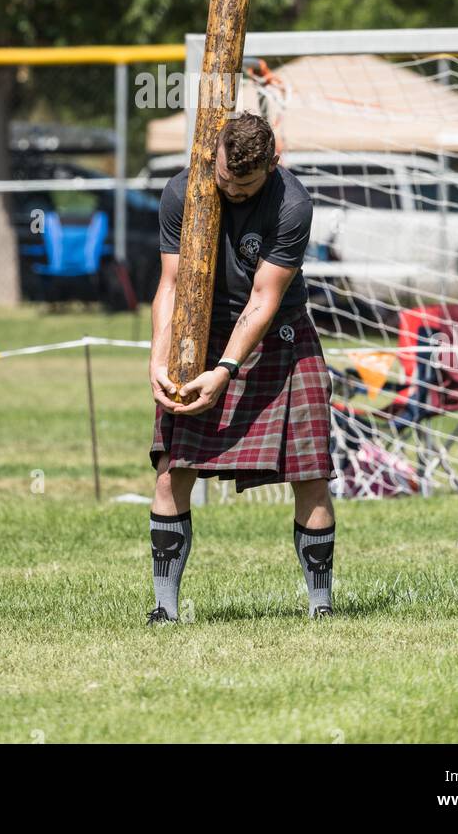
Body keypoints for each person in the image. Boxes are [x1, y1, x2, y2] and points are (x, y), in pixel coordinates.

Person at [147, 112, 335, 623]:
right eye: (225, 179)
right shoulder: (184, 189)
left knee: (311, 473)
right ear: (217, 158)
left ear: (273, 164)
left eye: (244, 186)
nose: (231, 192)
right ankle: (164, 610)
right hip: (198, 335)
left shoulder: (292, 205)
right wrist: (158, 357)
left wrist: (226, 367)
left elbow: (263, 299)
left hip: (279, 339)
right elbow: (170, 284)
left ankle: (321, 608)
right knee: (172, 470)